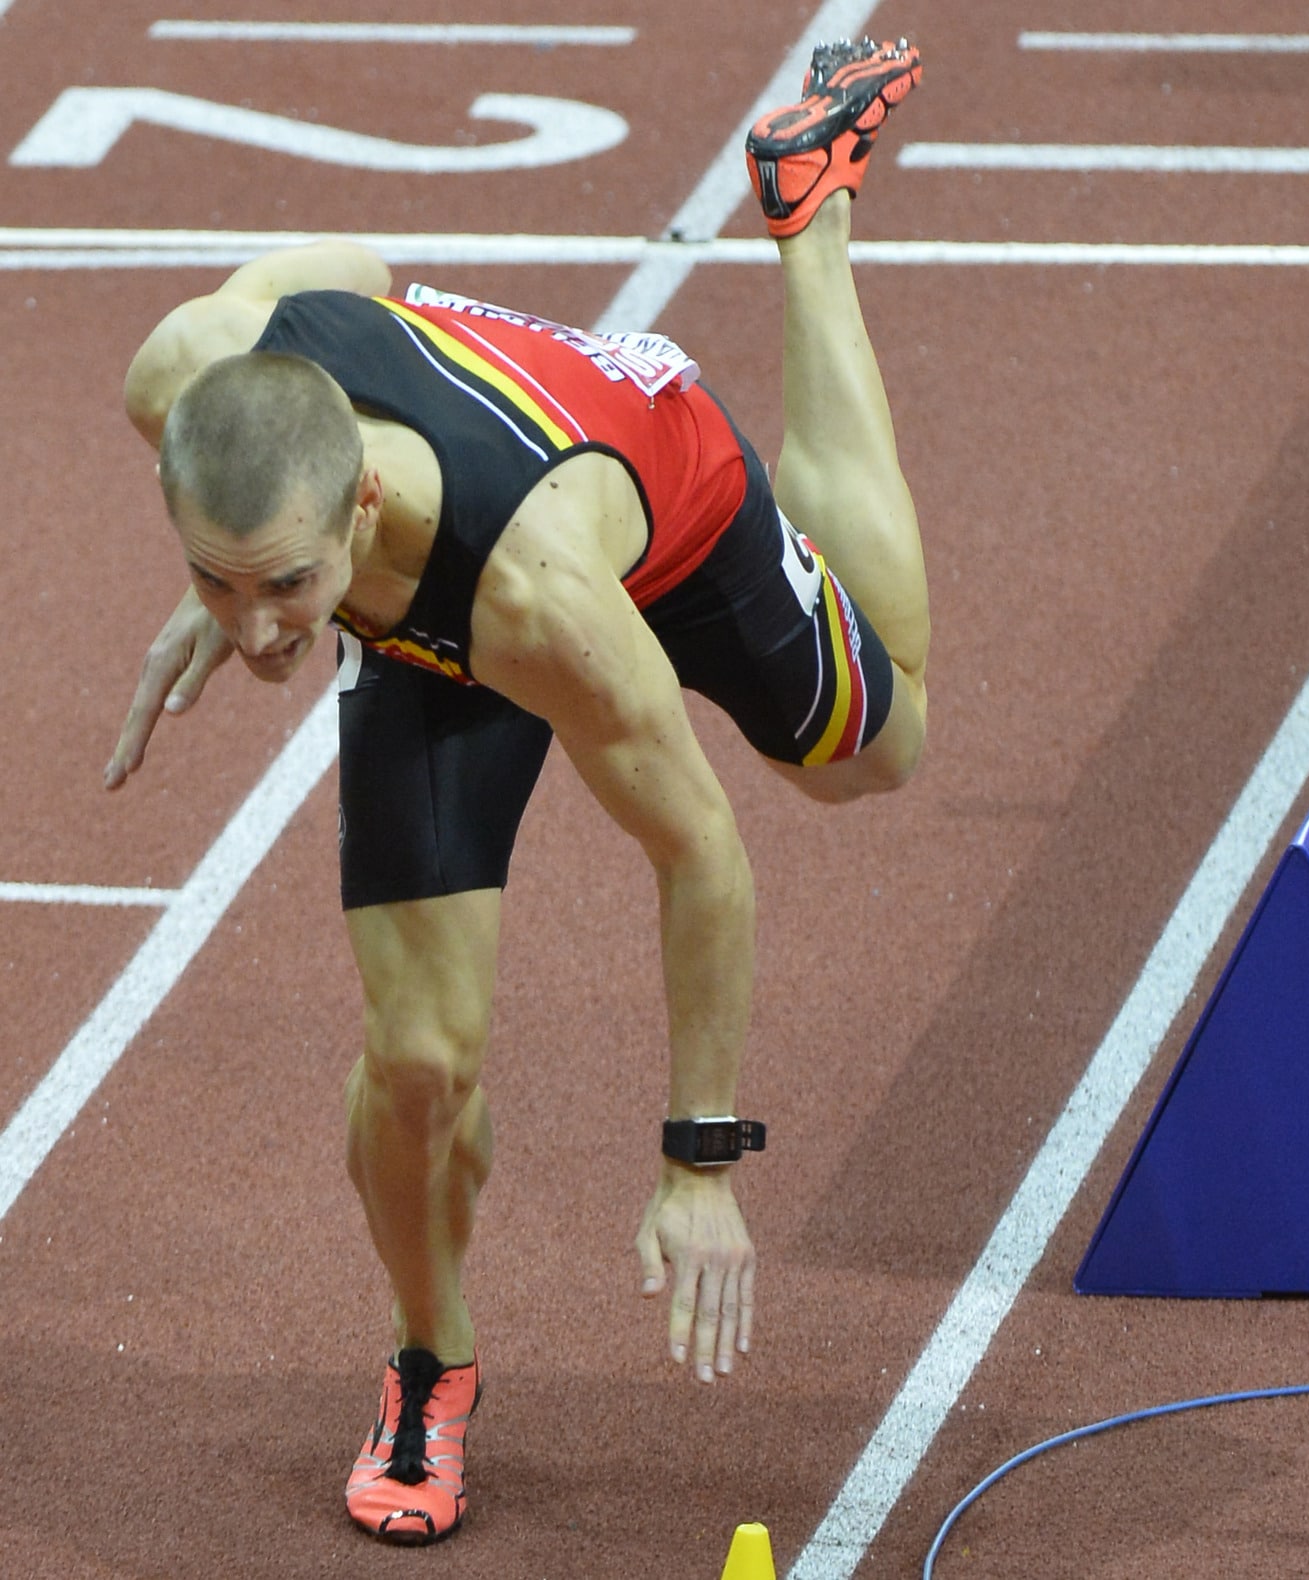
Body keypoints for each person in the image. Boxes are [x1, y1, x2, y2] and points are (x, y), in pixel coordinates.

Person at [104, 37, 927, 1545]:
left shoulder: (546, 600)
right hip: (422, 610)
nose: (263, 632)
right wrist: (238, 585)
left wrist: (701, 1163)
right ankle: (430, 1361)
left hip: (657, 513)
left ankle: (813, 225)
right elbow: (363, 266)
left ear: (355, 498)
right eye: (224, 587)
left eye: (286, 587)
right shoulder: (185, 373)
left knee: (874, 757)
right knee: (419, 1060)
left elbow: (704, 856)